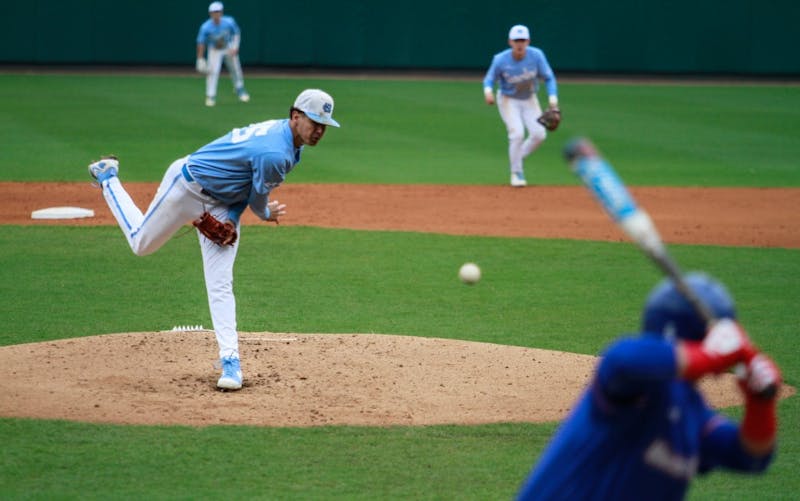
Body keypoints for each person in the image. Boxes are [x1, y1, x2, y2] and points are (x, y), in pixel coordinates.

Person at [87, 89, 340, 390]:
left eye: (324, 124)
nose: (320, 130)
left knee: (220, 283)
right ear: (295, 116)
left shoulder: (288, 140)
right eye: (315, 121)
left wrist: (231, 219)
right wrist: (266, 213)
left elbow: (243, 189)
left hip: (221, 203)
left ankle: (231, 362)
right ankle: (108, 178)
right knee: (141, 244)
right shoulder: (275, 152)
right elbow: (258, 203)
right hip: (187, 187)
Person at [516, 273, 782, 500]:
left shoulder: (691, 411)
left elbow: (751, 458)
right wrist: (710, 356)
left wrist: (760, 404)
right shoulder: (634, 390)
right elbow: (623, 360)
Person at [483, 24, 559, 187]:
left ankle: (517, 156)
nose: (520, 43)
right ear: (510, 42)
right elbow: (489, 79)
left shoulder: (537, 56)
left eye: (523, 40)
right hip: (508, 99)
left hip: (529, 99)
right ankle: (516, 172)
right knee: (517, 134)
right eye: (516, 40)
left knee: (539, 135)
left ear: (528, 41)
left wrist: (553, 101)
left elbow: (549, 78)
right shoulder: (500, 59)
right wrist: (488, 92)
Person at [195, 1, 250, 107]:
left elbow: (236, 33)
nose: (216, 14)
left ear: (221, 12)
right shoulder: (205, 27)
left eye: (218, 11)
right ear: (210, 14)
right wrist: (200, 58)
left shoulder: (229, 22)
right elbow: (201, 42)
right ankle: (210, 96)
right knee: (212, 72)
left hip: (228, 47)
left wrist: (235, 47)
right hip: (214, 50)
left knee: (235, 68)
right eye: (214, 12)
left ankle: (240, 89)